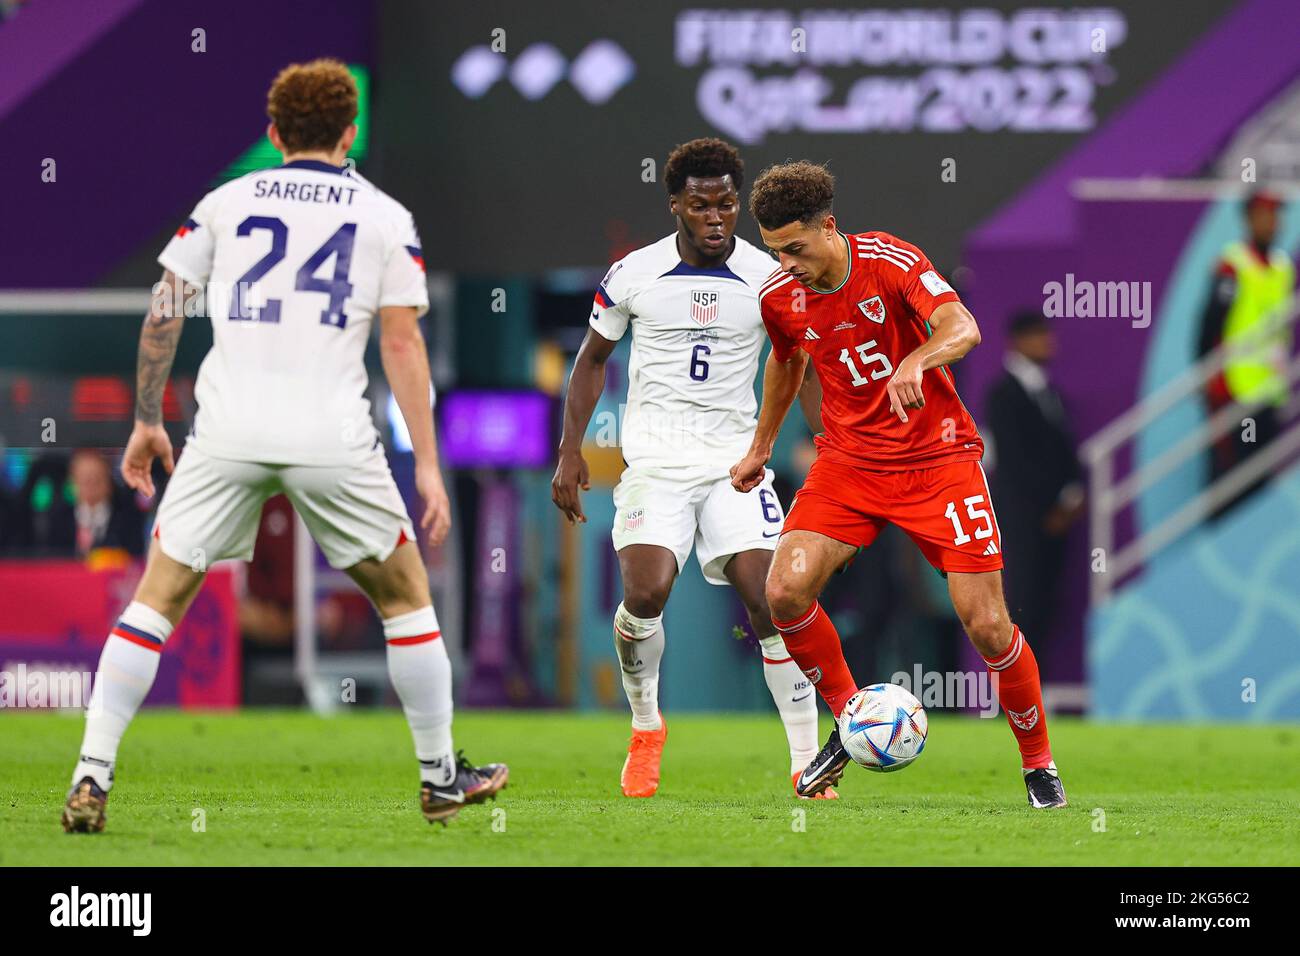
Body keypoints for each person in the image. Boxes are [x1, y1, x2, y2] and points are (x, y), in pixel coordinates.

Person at [62, 59, 505, 833]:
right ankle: (439, 779)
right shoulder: (383, 216)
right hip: (329, 431)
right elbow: (402, 345)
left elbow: (163, 312)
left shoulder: (225, 202)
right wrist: (428, 465)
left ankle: (92, 774)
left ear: (271, 134)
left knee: (156, 600)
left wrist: (145, 420)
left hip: (228, 428)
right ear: (350, 130)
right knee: (405, 597)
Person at [730, 161, 1066, 808]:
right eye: (775, 251)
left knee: (988, 624)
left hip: (938, 462)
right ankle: (849, 718)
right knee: (784, 590)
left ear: (829, 227)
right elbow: (787, 360)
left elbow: (962, 327)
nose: (787, 263)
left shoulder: (890, 261)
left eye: (796, 248)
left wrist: (918, 358)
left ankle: (1039, 766)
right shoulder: (780, 295)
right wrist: (761, 445)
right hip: (849, 463)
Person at [551, 138, 832, 800]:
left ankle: (804, 761)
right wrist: (570, 448)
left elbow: (804, 359)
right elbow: (592, 359)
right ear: (676, 203)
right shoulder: (633, 274)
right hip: (657, 464)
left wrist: (830, 443)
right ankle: (646, 729)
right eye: (702, 204)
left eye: (727, 204)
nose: (716, 217)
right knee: (645, 595)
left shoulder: (771, 277)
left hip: (738, 466)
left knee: (774, 601)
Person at [985, 311, 1083, 656]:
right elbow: (1015, 463)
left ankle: (1031, 697)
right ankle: (1013, 698)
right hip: (1024, 520)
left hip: (1053, 520)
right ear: (1019, 341)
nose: (1049, 342)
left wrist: (1070, 499)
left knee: (1044, 606)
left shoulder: (1049, 390)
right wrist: (1046, 509)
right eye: (1041, 335)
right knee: (1022, 603)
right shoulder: (1002, 394)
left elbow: (1062, 451)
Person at [1197, 189, 1295, 513]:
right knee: (1232, 480)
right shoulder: (1232, 266)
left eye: (1276, 214)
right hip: (1235, 392)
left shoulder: (1283, 267)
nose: (1271, 222)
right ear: (1248, 219)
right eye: (1263, 214)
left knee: (1262, 480)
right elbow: (1209, 327)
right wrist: (1212, 381)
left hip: (1270, 389)